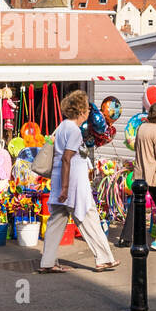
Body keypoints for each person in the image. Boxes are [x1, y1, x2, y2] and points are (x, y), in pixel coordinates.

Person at [38, 89, 118, 272]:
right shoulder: (74, 131)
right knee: (89, 218)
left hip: (60, 180)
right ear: (81, 111)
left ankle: (47, 262)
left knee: (56, 221)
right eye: (87, 109)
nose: (89, 112)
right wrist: (66, 189)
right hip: (73, 183)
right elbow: (67, 158)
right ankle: (104, 259)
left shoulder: (62, 126)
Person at [119, 101, 156, 247]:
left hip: (139, 172)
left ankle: (125, 237)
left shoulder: (141, 128)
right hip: (153, 173)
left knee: (134, 206)